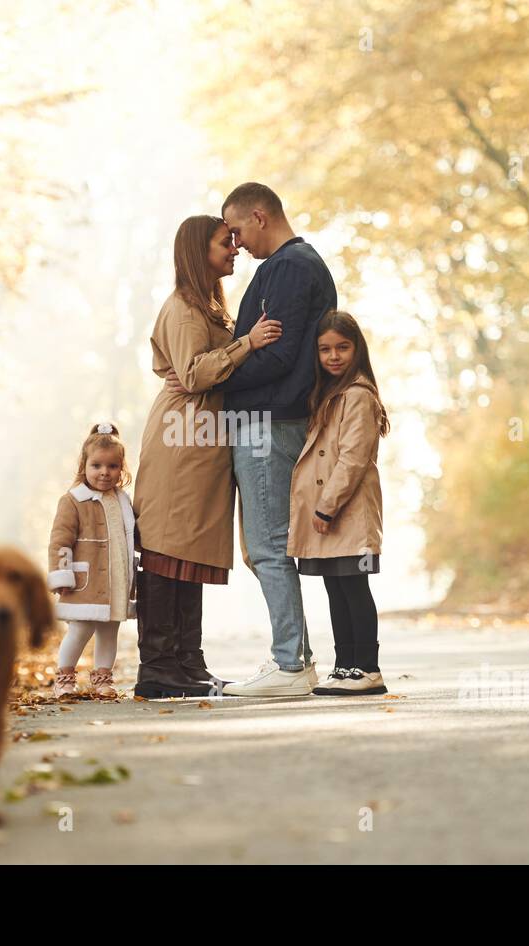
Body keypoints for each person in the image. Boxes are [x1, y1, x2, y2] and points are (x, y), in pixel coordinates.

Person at [170, 183, 337, 697]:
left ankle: (290, 665)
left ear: (259, 217)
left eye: (238, 230)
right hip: (274, 420)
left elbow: (280, 355)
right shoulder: (301, 265)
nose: (237, 244)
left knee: (267, 547)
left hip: (266, 423)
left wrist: (215, 377)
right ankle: (294, 660)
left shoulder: (286, 267)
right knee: (268, 545)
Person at [133, 215, 283, 699]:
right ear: (200, 251)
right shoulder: (182, 308)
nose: (235, 249)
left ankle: (188, 662)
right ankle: (157, 668)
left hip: (204, 438)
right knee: (166, 549)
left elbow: (200, 370)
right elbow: (195, 375)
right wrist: (247, 343)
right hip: (180, 442)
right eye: (225, 243)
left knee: (189, 551)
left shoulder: (209, 306)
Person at [288, 311, 389, 696]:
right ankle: (345, 666)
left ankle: (368, 667)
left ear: (357, 349)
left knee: (354, 588)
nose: (333, 356)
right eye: (325, 349)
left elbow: (353, 458)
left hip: (349, 513)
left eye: (342, 348)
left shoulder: (358, 396)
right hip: (329, 513)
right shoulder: (327, 394)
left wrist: (326, 506)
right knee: (335, 588)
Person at [47, 423, 136, 700]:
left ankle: (102, 679)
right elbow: (60, 541)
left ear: (121, 469)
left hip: (115, 580)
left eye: (112, 466)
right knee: (81, 629)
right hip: (84, 582)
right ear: (83, 465)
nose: (104, 472)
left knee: (110, 630)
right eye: (96, 465)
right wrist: (61, 576)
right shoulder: (73, 501)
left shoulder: (122, 501)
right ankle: (64, 678)